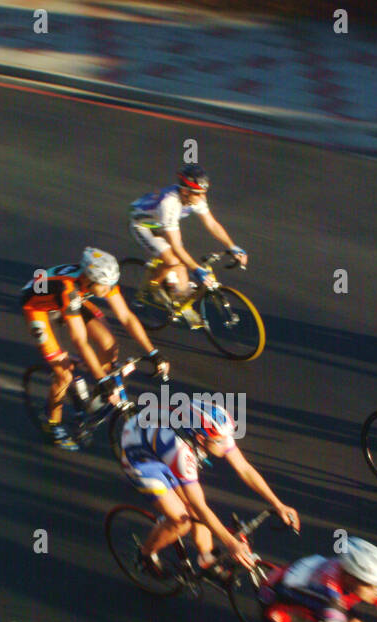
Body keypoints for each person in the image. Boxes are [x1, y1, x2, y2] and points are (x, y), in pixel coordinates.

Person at [117, 400, 299, 576]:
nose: (227, 443)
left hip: (155, 437)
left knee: (192, 504)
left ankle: (206, 558)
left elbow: (244, 468)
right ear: (200, 438)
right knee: (181, 521)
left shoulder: (213, 429)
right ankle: (145, 554)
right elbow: (199, 506)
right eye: (220, 441)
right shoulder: (181, 453)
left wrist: (278, 504)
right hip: (141, 459)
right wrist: (230, 543)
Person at [20, 247, 168, 449]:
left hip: (71, 299)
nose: (109, 290)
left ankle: (97, 391)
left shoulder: (101, 282)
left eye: (111, 284)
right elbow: (79, 340)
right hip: (38, 307)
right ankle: (51, 423)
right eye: (105, 286)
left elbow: (127, 317)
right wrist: (102, 378)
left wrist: (153, 352)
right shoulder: (68, 290)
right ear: (89, 280)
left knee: (109, 343)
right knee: (63, 373)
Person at [127, 164, 247, 324]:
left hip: (160, 223)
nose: (203, 197)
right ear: (185, 191)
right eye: (199, 194)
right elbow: (176, 246)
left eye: (204, 193)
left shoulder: (195, 197)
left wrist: (232, 246)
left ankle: (179, 302)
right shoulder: (169, 204)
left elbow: (211, 224)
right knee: (173, 260)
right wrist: (197, 269)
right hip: (143, 225)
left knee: (182, 267)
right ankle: (151, 287)